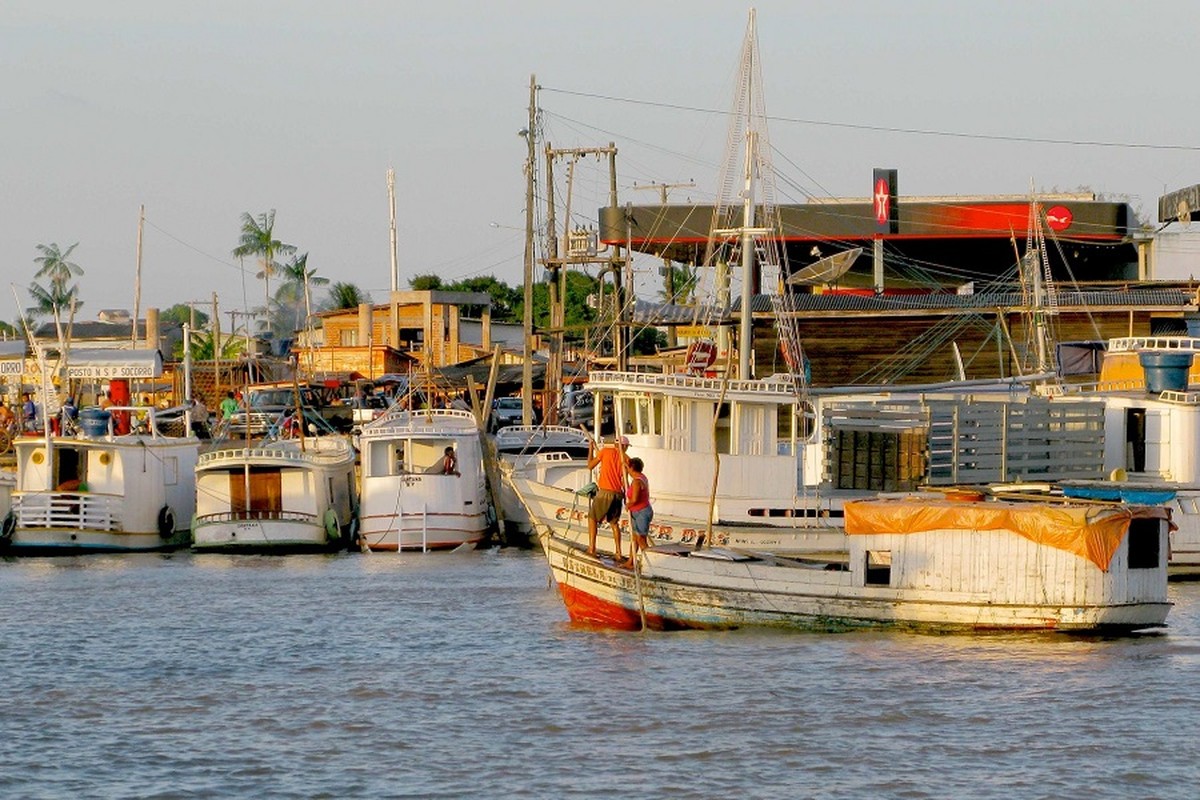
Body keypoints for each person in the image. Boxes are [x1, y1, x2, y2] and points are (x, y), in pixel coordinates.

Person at [586, 434, 629, 561]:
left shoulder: (606, 452)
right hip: (618, 494)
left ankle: (592, 548)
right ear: (624, 446)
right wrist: (626, 497)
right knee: (614, 523)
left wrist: (590, 450)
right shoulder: (626, 459)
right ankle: (618, 553)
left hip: (605, 492)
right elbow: (625, 480)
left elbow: (590, 466)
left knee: (592, 518)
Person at [626, 456, 653, 559]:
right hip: (638, 512)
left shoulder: (637, 482)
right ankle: (631, 561)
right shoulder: (642, 477)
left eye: (629, 468)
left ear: (632, 468)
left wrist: (628, 505)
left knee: (641, 539)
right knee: (634, 538)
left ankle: (649, 561)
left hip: (641, 512)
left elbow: (634, 500)